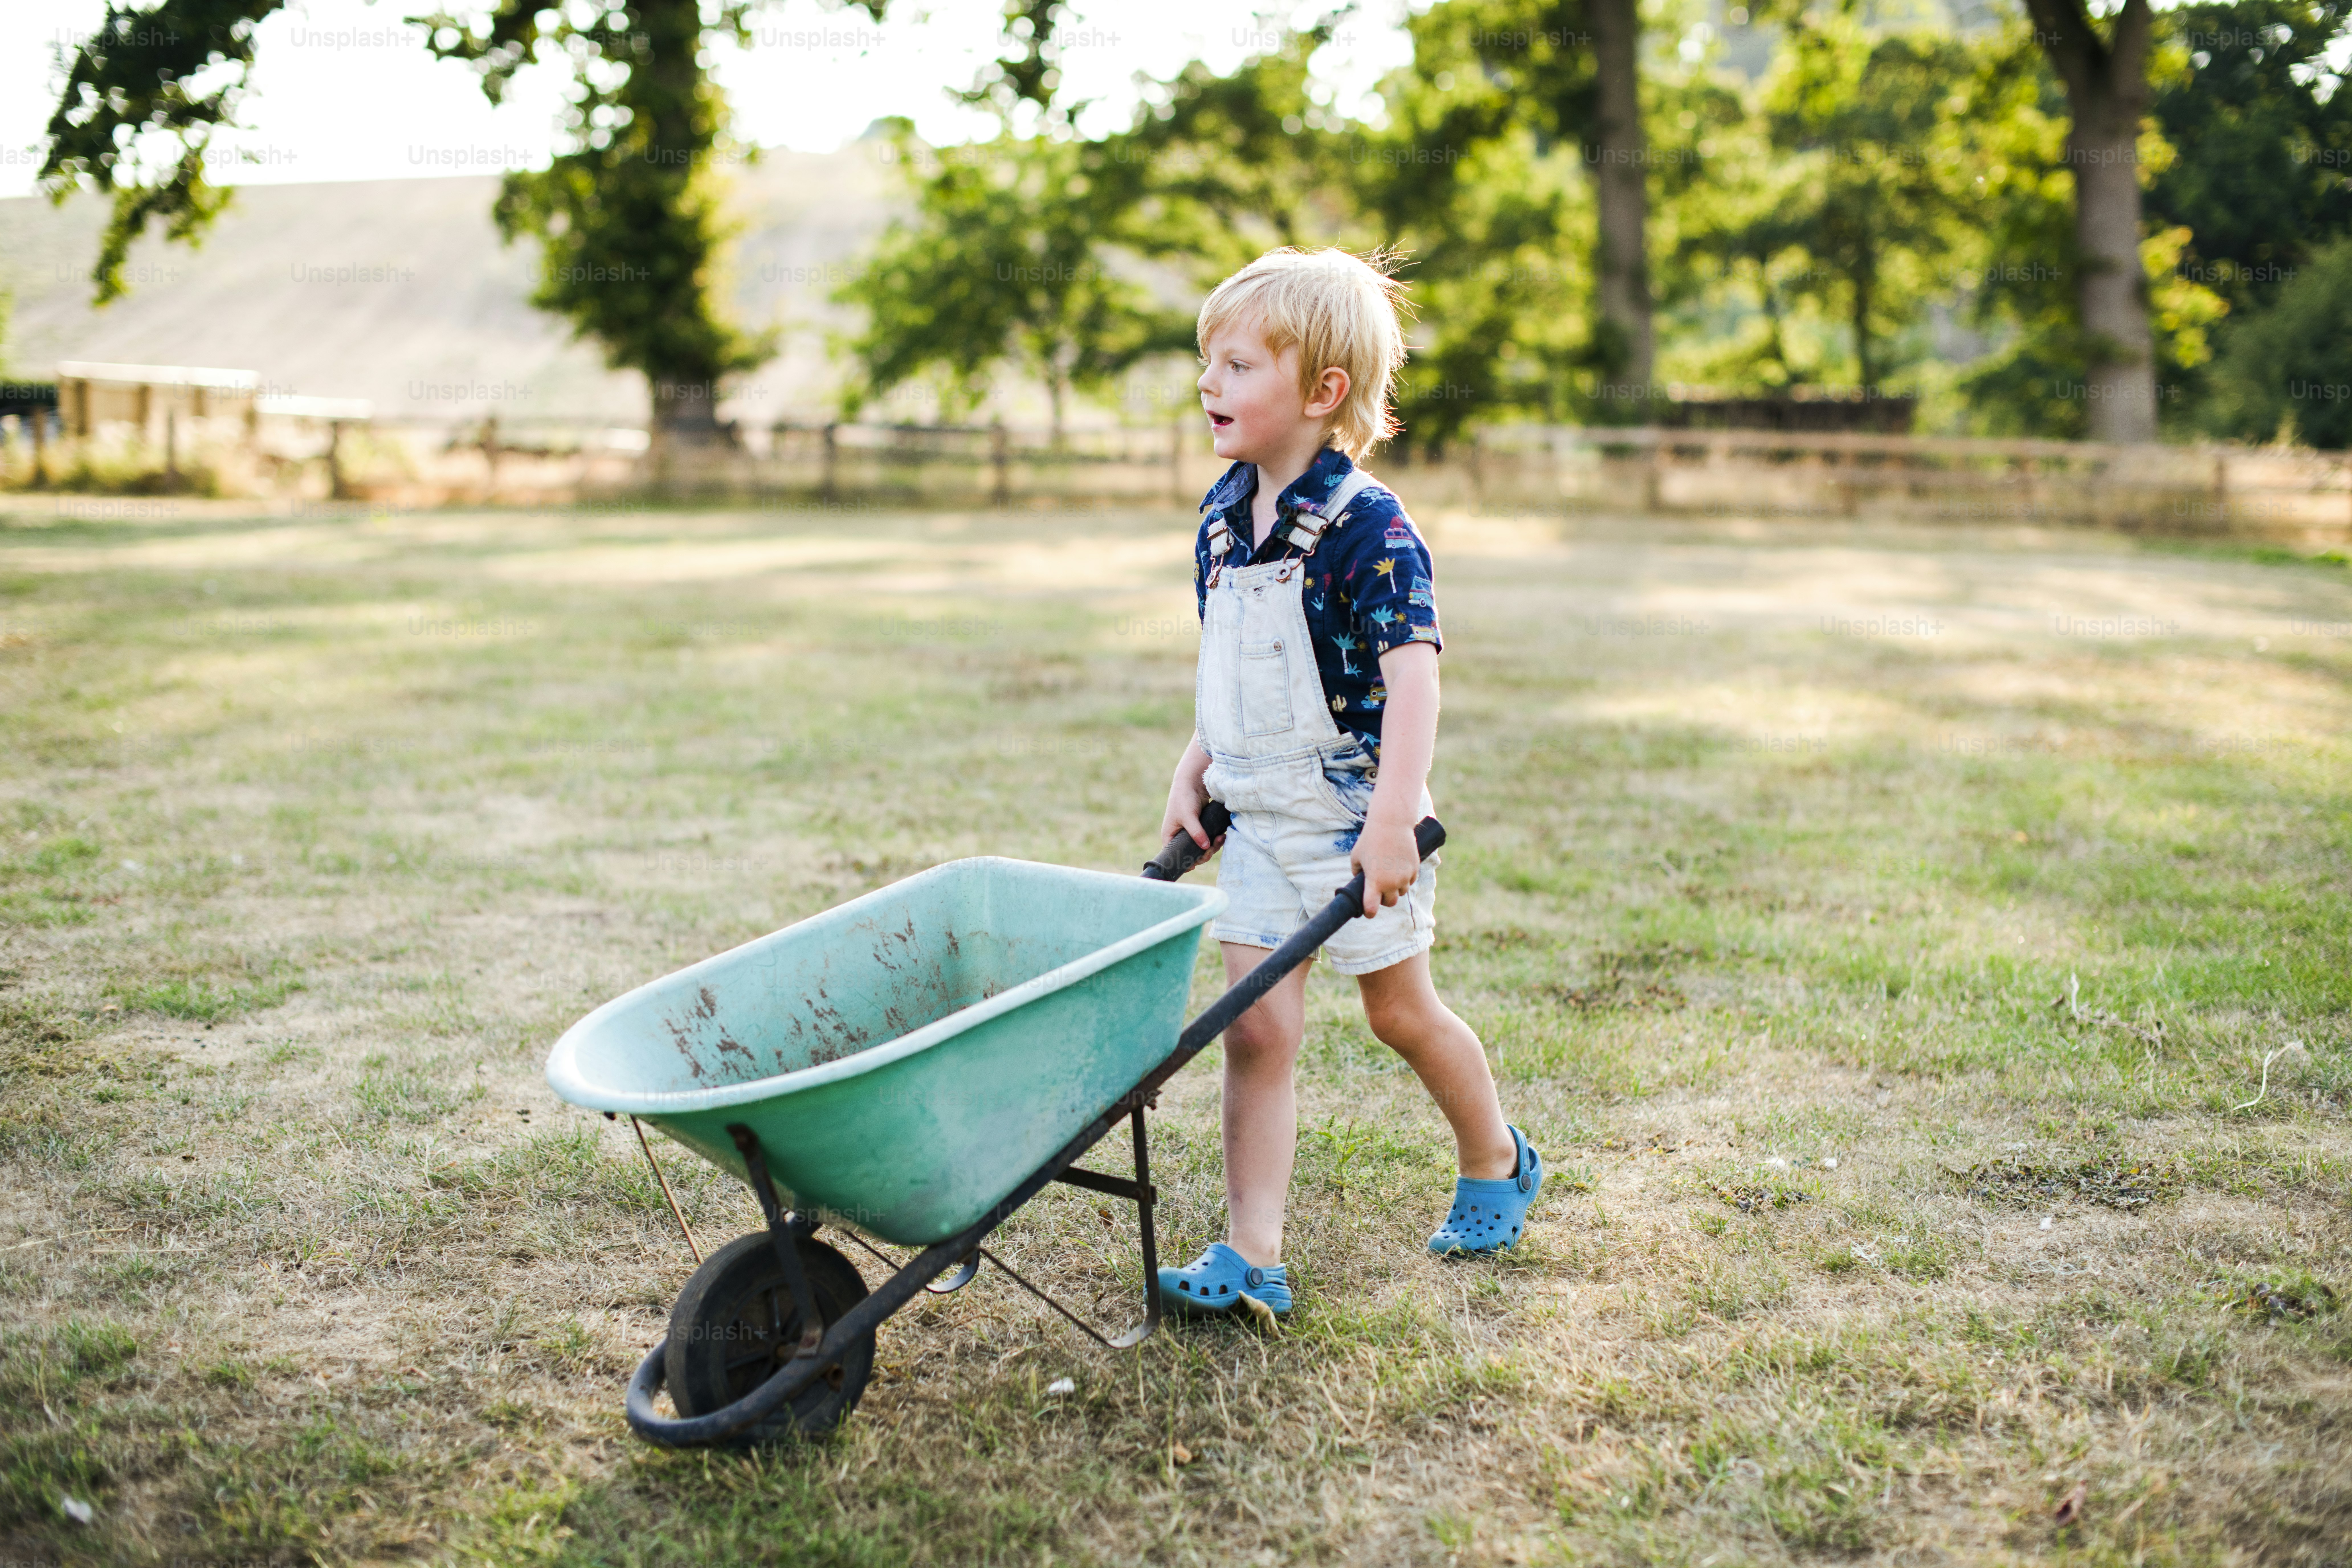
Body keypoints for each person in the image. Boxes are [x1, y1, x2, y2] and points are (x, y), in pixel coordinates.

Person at [1154, 247, 1543, 1321]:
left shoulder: (1371, 528)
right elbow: (1227, 662)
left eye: (1237, 366)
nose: (1209, 384)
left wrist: (1388, 823)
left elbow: (1412, 679)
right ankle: (1252, 1256)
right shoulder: (1225, 515)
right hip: (1263, 815)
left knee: (1400, 1013)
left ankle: (1496, 1158)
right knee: (1256, 1029)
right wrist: (1198, 764)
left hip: (1356, 816)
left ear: (1323, 394)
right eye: (1208, 362)